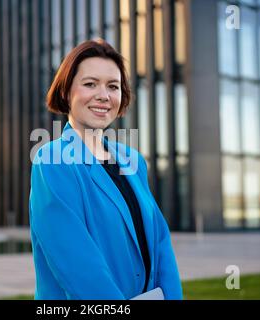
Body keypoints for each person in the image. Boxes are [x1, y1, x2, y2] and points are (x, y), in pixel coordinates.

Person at [29, 39, 182, 300]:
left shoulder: (132, 161)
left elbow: (160, 244)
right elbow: (78, 265)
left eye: (113, 86)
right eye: (90, 84)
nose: (104, 95)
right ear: (66, 92)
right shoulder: (53, 161)